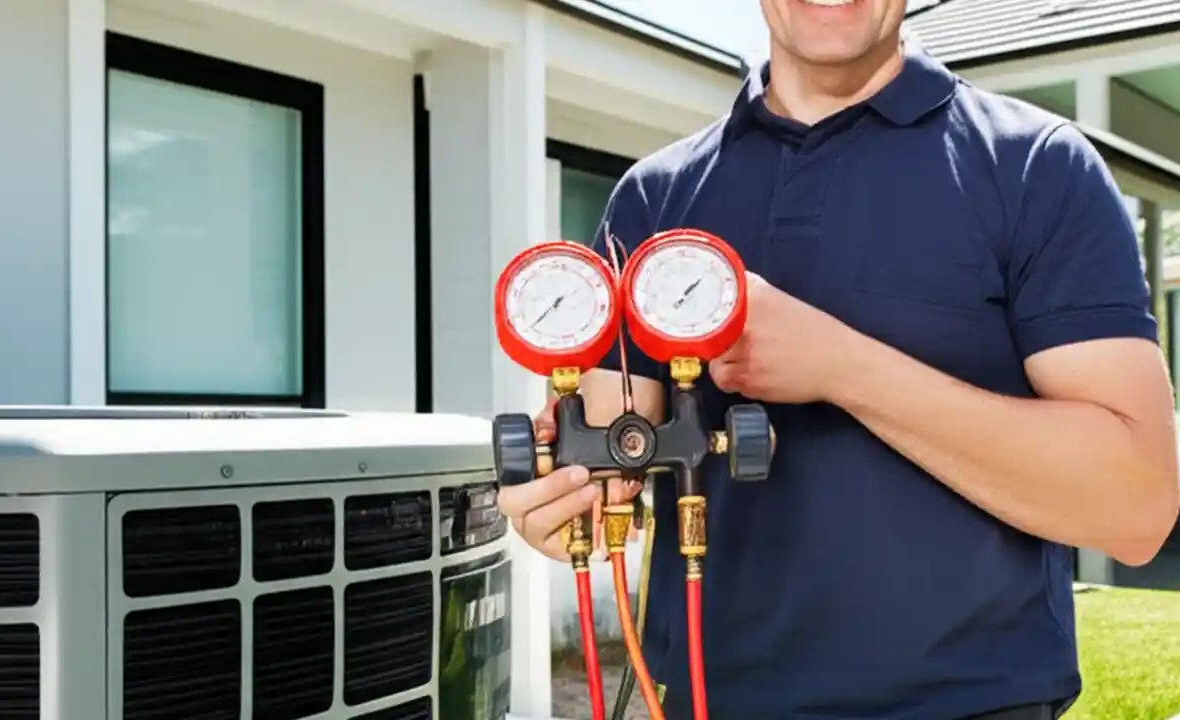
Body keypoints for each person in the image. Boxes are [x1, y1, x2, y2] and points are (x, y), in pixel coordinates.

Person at [498, 0, 1180, 718]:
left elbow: (1134, 508)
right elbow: (607, 459)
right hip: (716, 701)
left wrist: (837, 365)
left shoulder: (1036, 168)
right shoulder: (657, 197)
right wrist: (558, 500)